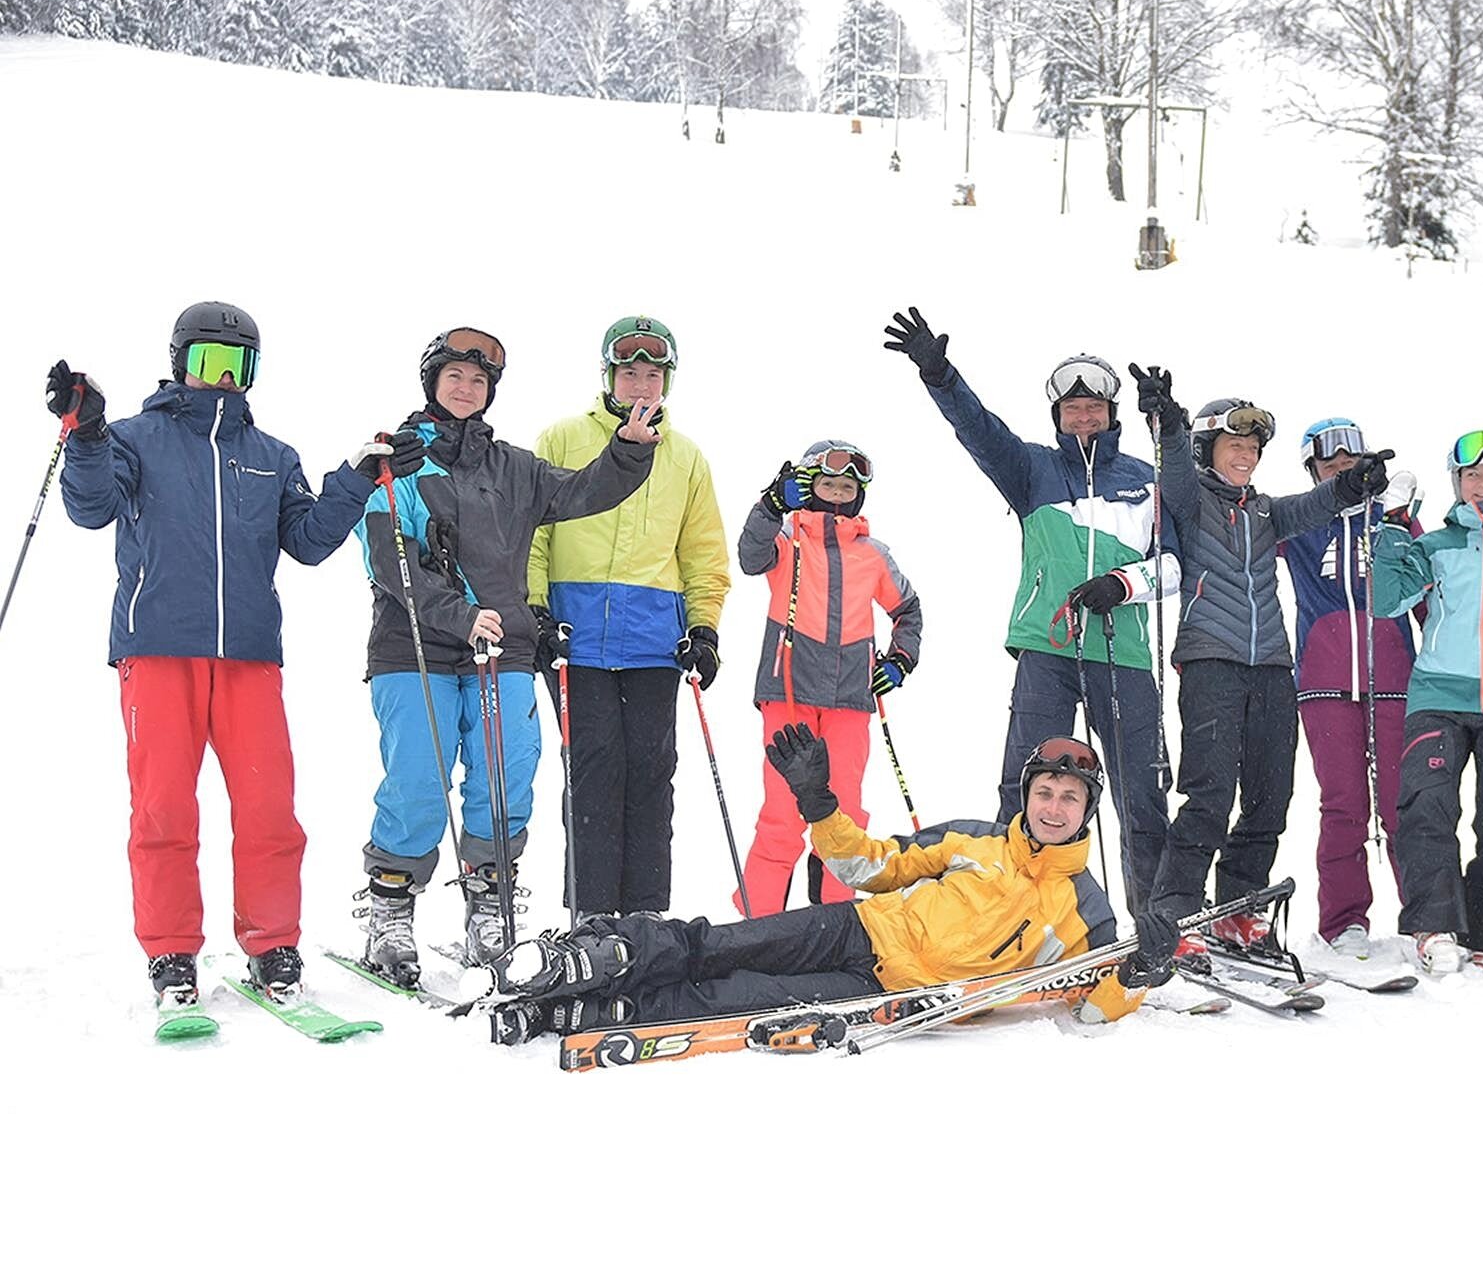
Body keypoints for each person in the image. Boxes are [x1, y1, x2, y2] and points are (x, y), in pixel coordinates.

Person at [51, 300, 392, 1008]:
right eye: (209, 362)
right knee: (164, 809)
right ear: (181, 363)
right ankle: (172, 952)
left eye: (239, 366)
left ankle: (274, 947)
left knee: (270, 810)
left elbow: (308, 540)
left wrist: (356, 475)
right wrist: (84, 433)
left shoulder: (271, 457)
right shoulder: (134, 438)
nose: (224, 380)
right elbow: (89, 508)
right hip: (158, 650)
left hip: (249, 657)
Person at [481, 730, 1179, 1041]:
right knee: (721, 945)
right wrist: (820, 805)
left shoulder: (1087, 912)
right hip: (858, 926)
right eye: (1045, 791)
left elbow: (1091, 1006)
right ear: (1027, 794)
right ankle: (604, 960)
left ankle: (603, 1014)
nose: (1054, 807)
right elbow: (869, 867)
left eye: (1069, 798)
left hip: (893, 993)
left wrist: (1142, 971)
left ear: (1089, 810)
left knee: (735, 997)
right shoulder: (973, 838)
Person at [354, 327, 659, 983]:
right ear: (432, 383)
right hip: (415, 649)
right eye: (454, 377)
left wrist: (628, 451)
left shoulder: (514, 468)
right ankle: (390, 911)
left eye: (478, 380)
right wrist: (458, 615)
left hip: (503, 650)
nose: (466, 389)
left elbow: (584, 491)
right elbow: (390, 561)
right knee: (418, 780)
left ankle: (488, 907)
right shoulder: (397, 459)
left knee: (505, 780)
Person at [881, 307, 1176, 908]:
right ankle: (1004, 911)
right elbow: (979, 430)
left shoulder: (1147, 479)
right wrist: (940, 375)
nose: (1084, 417)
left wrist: (1121, 584)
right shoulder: (1034, 470)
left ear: (1112, 415)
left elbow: (1174, 564)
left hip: (1123, 652)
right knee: (1027, 784)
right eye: (1073, 409)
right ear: (1059, 418)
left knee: (1138, 791)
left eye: (1094, 408)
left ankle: (1158, 919)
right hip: (1048, 646)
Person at [1132, 372, 1391, 949]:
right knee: (1210, 794)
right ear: (1209, 450)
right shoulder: (1190, 502)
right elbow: (1174, 469)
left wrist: (1355, 485)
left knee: (1271, 796)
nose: (1247, 455)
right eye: (1235, 446)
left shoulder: (1268, 511)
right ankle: (1175, 912)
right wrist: (1171, 423)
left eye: (1253, 448)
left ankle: (1237, 908)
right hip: (1211, 663)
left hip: (1273, 667)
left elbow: (1317, 503)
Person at [527, 316, 729, 924]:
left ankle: (644, 916)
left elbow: (703, 553)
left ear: (667, 381)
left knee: (650, 770)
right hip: (576, 639)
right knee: (593, 768)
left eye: (652, 375)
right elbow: (533, 531)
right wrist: (535, 608)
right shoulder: (563, 440)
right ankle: (591, 914)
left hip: (653, 643)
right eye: (629, 372)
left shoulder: (686, 457)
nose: (640, 386)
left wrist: (704, 628)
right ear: (608, 376)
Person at [1369, 430, 1483, 977]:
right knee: (1426, 809)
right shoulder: (1434, 547)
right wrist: (1394, 528)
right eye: (1472, 476)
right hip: (1438, 695)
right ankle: (1433, 926)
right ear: (1457, 483)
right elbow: (1385, 599)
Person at [734, 439, 923, 913]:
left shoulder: (873, 554)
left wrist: (899, 660)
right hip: (789, 694)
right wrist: (771, 504)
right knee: (781, 813)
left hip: (848, 701)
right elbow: (749, 556)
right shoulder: (787, 542)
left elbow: (908, 610)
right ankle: (758, 927)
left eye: (846, 487)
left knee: (842, 815)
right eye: (827, 485)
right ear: (809, 488)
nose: (837, 495)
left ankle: (834, 922)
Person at [1280, 417, 1424, 958]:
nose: (1339, 466)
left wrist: (1400, 511)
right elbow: (1238, 540)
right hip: (1323, 680)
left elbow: (1425, 587)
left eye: (1350, 458)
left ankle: (1424, 916)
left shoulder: (1390, 519)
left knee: (1401, 803)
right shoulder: (1297, 523)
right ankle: (1344, 923)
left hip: (1394, 678)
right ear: (1312, 468)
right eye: (1327, 460)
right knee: (1343, 805)